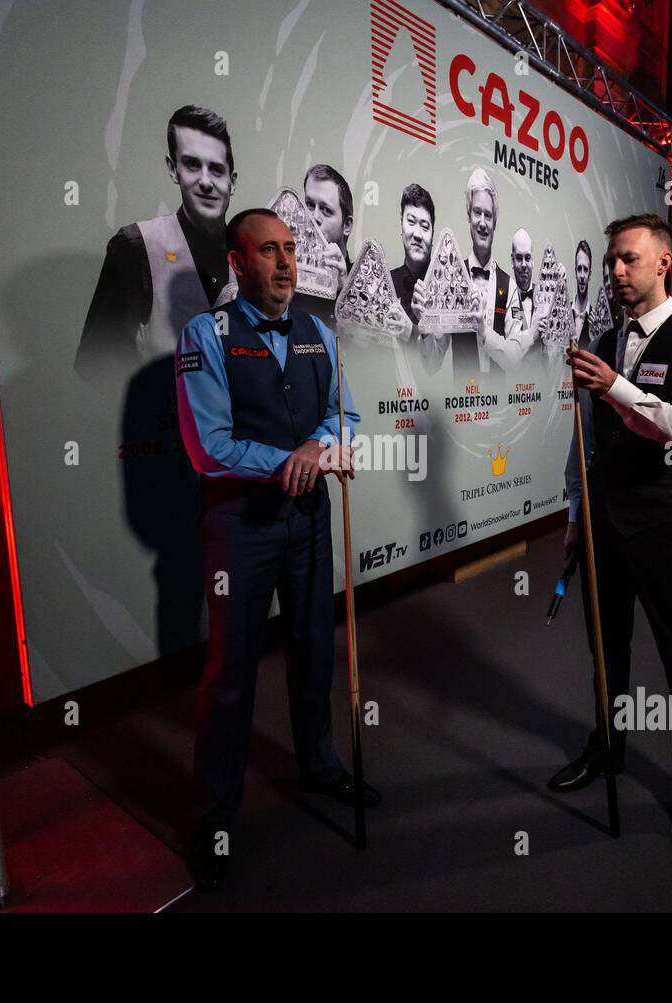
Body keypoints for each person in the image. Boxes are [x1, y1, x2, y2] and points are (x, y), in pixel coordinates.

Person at [175, 208, 382, 891]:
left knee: (314, 647)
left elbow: (346, 414)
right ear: (238, 262)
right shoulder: (206, 335)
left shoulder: (319, 332)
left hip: (310, 519)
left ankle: (319, 763)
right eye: (270, 251)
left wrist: (319, 445)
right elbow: (211, 446)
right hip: (242, 526)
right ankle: (213, 816)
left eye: (291, 249)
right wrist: (289, 460)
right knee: (231, 673)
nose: (288, 262)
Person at [552, 212, 672, 862]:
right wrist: (574, 515)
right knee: (608, 646)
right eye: (610, 263)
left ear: (663, 262)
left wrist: (616, 385)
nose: (616, 273)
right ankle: (607, 746)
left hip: (661, 523)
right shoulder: (605, 337)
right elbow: (588, 443)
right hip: (603, 519)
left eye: (627, 259)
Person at [75, 105, 236, 385]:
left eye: (217, 169)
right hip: (167, 425)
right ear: (173, 169)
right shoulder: (136, 247)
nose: (206, 182)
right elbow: (95, 360)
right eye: (192, 165)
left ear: (232, 181)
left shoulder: (254, 254)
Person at [421, 168, 509, 379]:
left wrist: (484, 332)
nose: (482, 222)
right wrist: (425, 326)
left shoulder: (509, 285)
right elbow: (432, 364)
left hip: (501, 406)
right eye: (477, 212)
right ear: (468, 217)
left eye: (488, 215)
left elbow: (516, 358)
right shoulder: (452, 282)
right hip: (462, 405)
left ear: (494, 222)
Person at [483, 227, 541, 370]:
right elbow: (508, 350)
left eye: (527, 258)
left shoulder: (544, 296)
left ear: (533, 260)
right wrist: (532, 334)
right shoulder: (503, 295)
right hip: (512, 386)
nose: (523, 265)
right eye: (518, 258)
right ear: (512, 260)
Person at [390, 183, 435, 333]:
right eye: (411, 222)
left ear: (433, 235)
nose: (417, 234)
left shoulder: (445, 289)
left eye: (424, 226)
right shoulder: (386, 282)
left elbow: (442, 355)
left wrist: (410, 332)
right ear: (401, 226)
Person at [571, 240, 593, 350]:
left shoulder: (596, 321)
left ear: (590, 274)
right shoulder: (563, 314)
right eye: (580, 269)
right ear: (575, 272)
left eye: (586, 270)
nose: (582, 275)